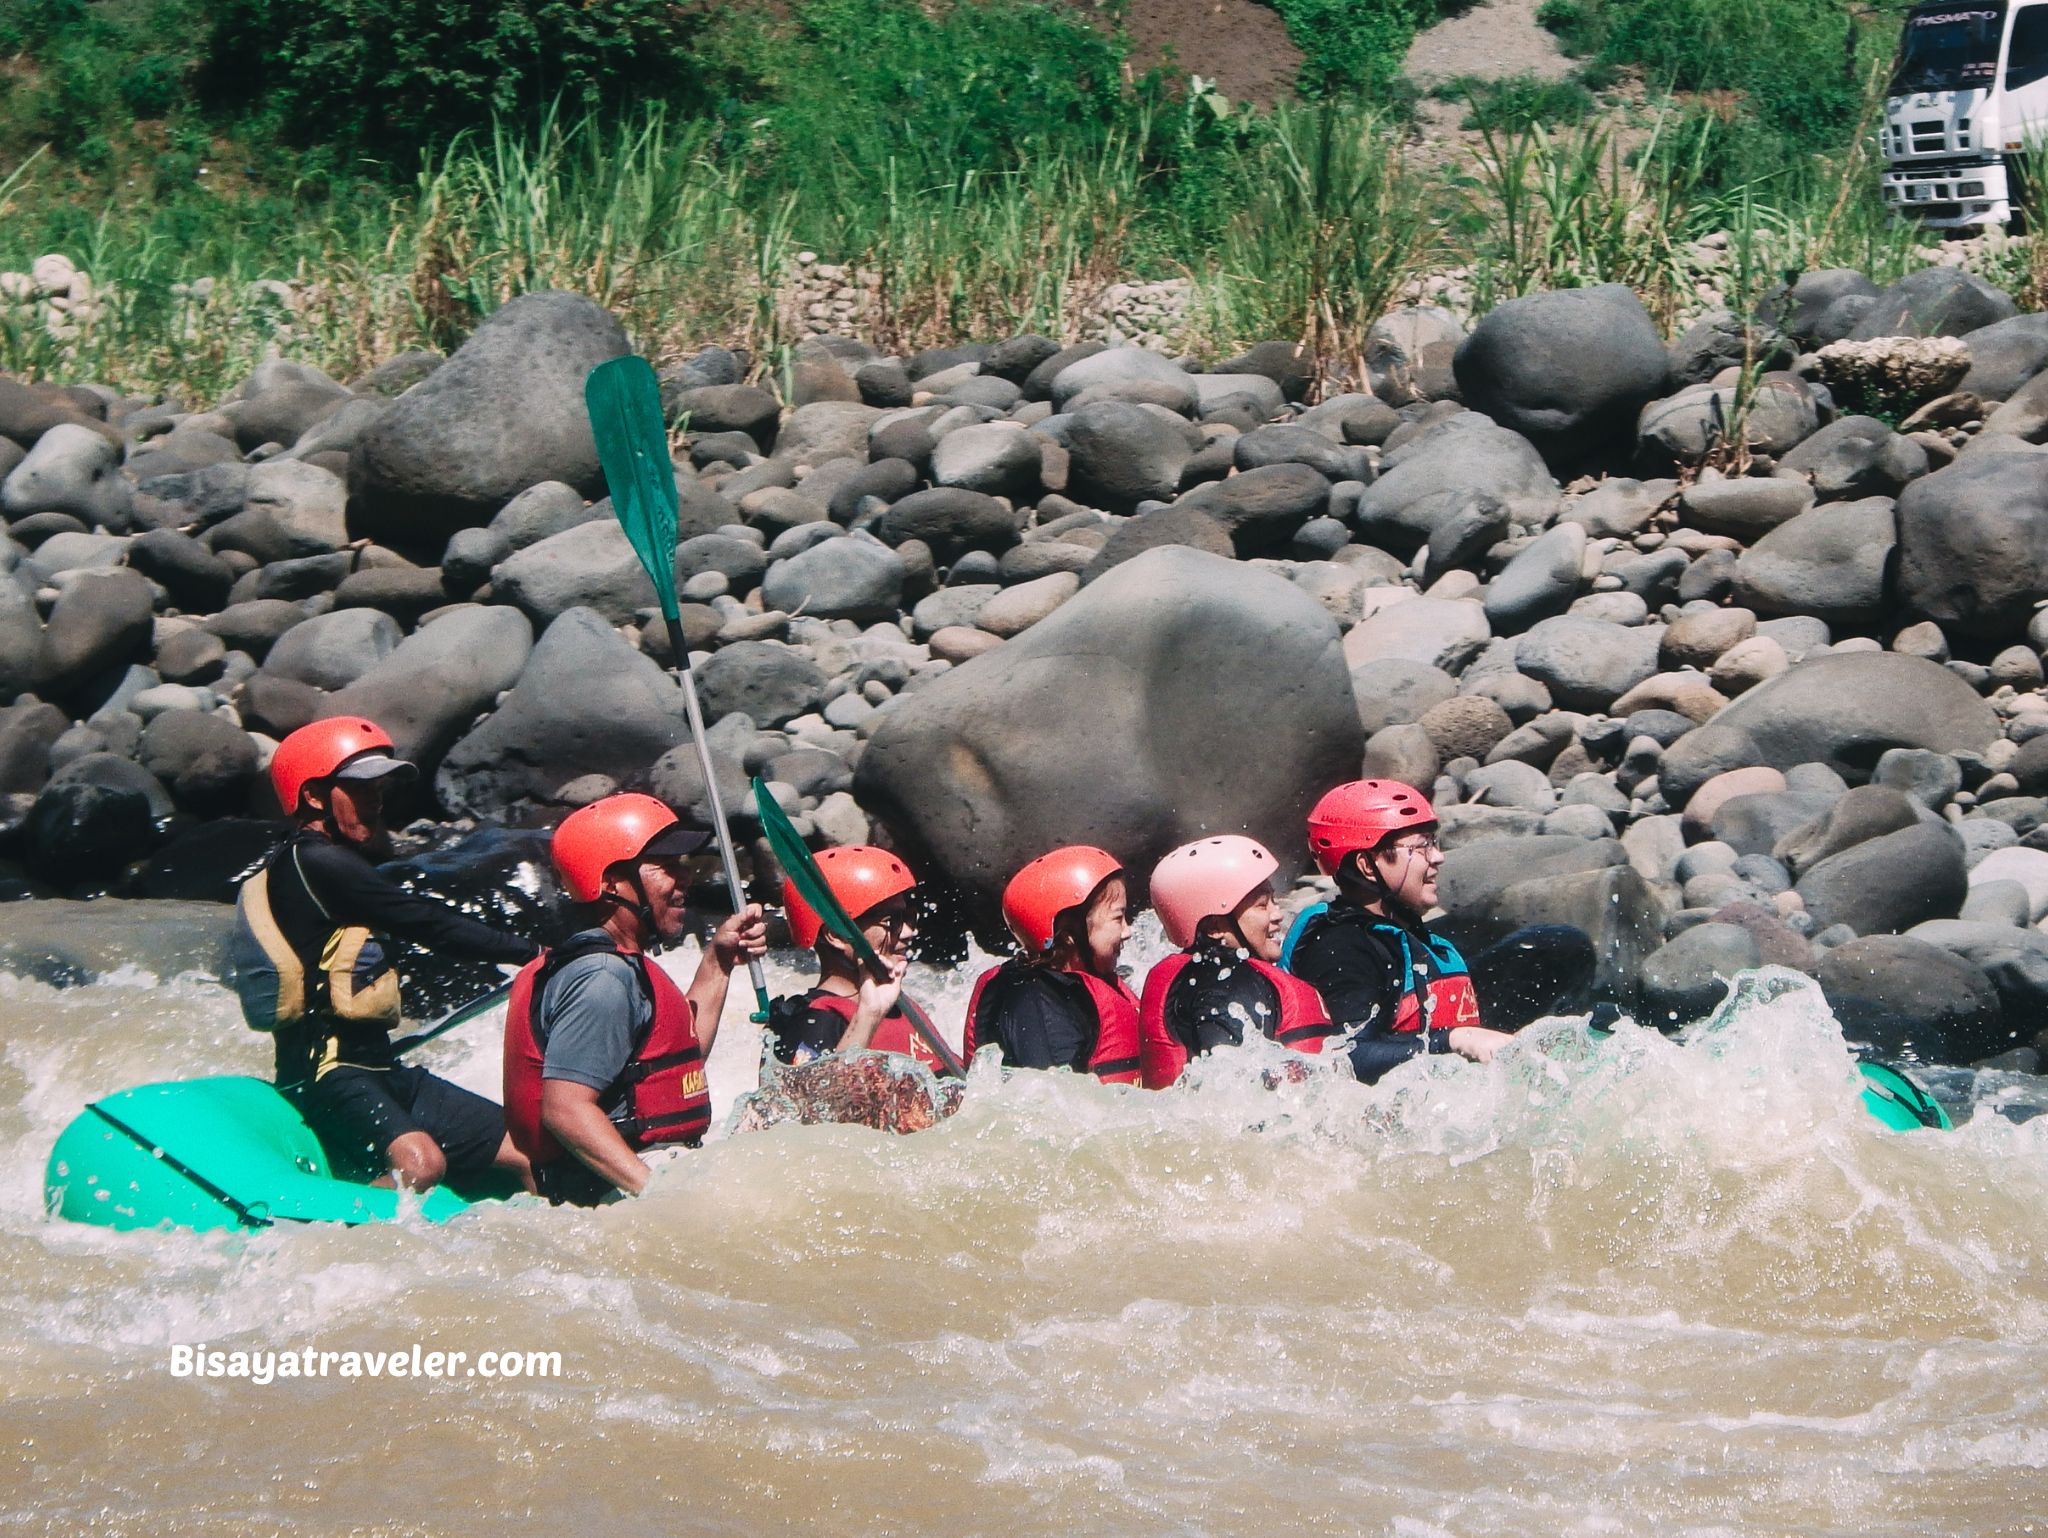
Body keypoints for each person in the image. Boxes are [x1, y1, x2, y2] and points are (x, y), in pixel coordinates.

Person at [229, 716, 541, 1192]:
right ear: (313, 797)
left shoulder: (333, 866)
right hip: (324, 1074)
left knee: (528, 1155)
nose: (376, 802)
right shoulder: (315, 862)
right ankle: (337, 1249)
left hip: (380, 1069)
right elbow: (424, 921)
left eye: (379, 789)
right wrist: (533, 951)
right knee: (419, 1165)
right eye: (359, 790)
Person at [502, 793, 767, 1206]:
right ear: (609, 883)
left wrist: (718, 962)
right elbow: (565, 1110)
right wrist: (660, 1199)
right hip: (611, 1196)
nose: (685, 879)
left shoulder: (619, 964)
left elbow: (679, 1056)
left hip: (637, 1180)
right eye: (666, 868)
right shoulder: (602, 978)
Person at [1283, 780, 1595, 1085]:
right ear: (1367, 864)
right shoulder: (1339, 947)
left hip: (1437, 1078)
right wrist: (1455, 1039)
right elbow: (1347, 1058)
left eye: (1434, 842)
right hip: (1385, 1113)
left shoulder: (1402, 931)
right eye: (1421, 846)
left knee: (1562, 947)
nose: (1438, 857)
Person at [1139, 835, 1335, 1089]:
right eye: (1262, 905)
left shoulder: (1202, 977)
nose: (1278, 915)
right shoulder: (1225, 983)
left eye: (1273, 901)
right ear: (1215, 926)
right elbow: (1230, 1091)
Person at [764, 845, 950, 1073]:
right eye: (891, 921)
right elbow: (811, 1105)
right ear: (837, 936)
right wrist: (868, 1015)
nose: (908, 932)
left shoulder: (902, 1006)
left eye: (909, 917)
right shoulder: (815, 1022)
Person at [963, 846, 1140, 1083]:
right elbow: (1049, 1106)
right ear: (1068, 934)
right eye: (1118, 918)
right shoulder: (1035, 1003)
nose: (1127, 931)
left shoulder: (1076, 992)